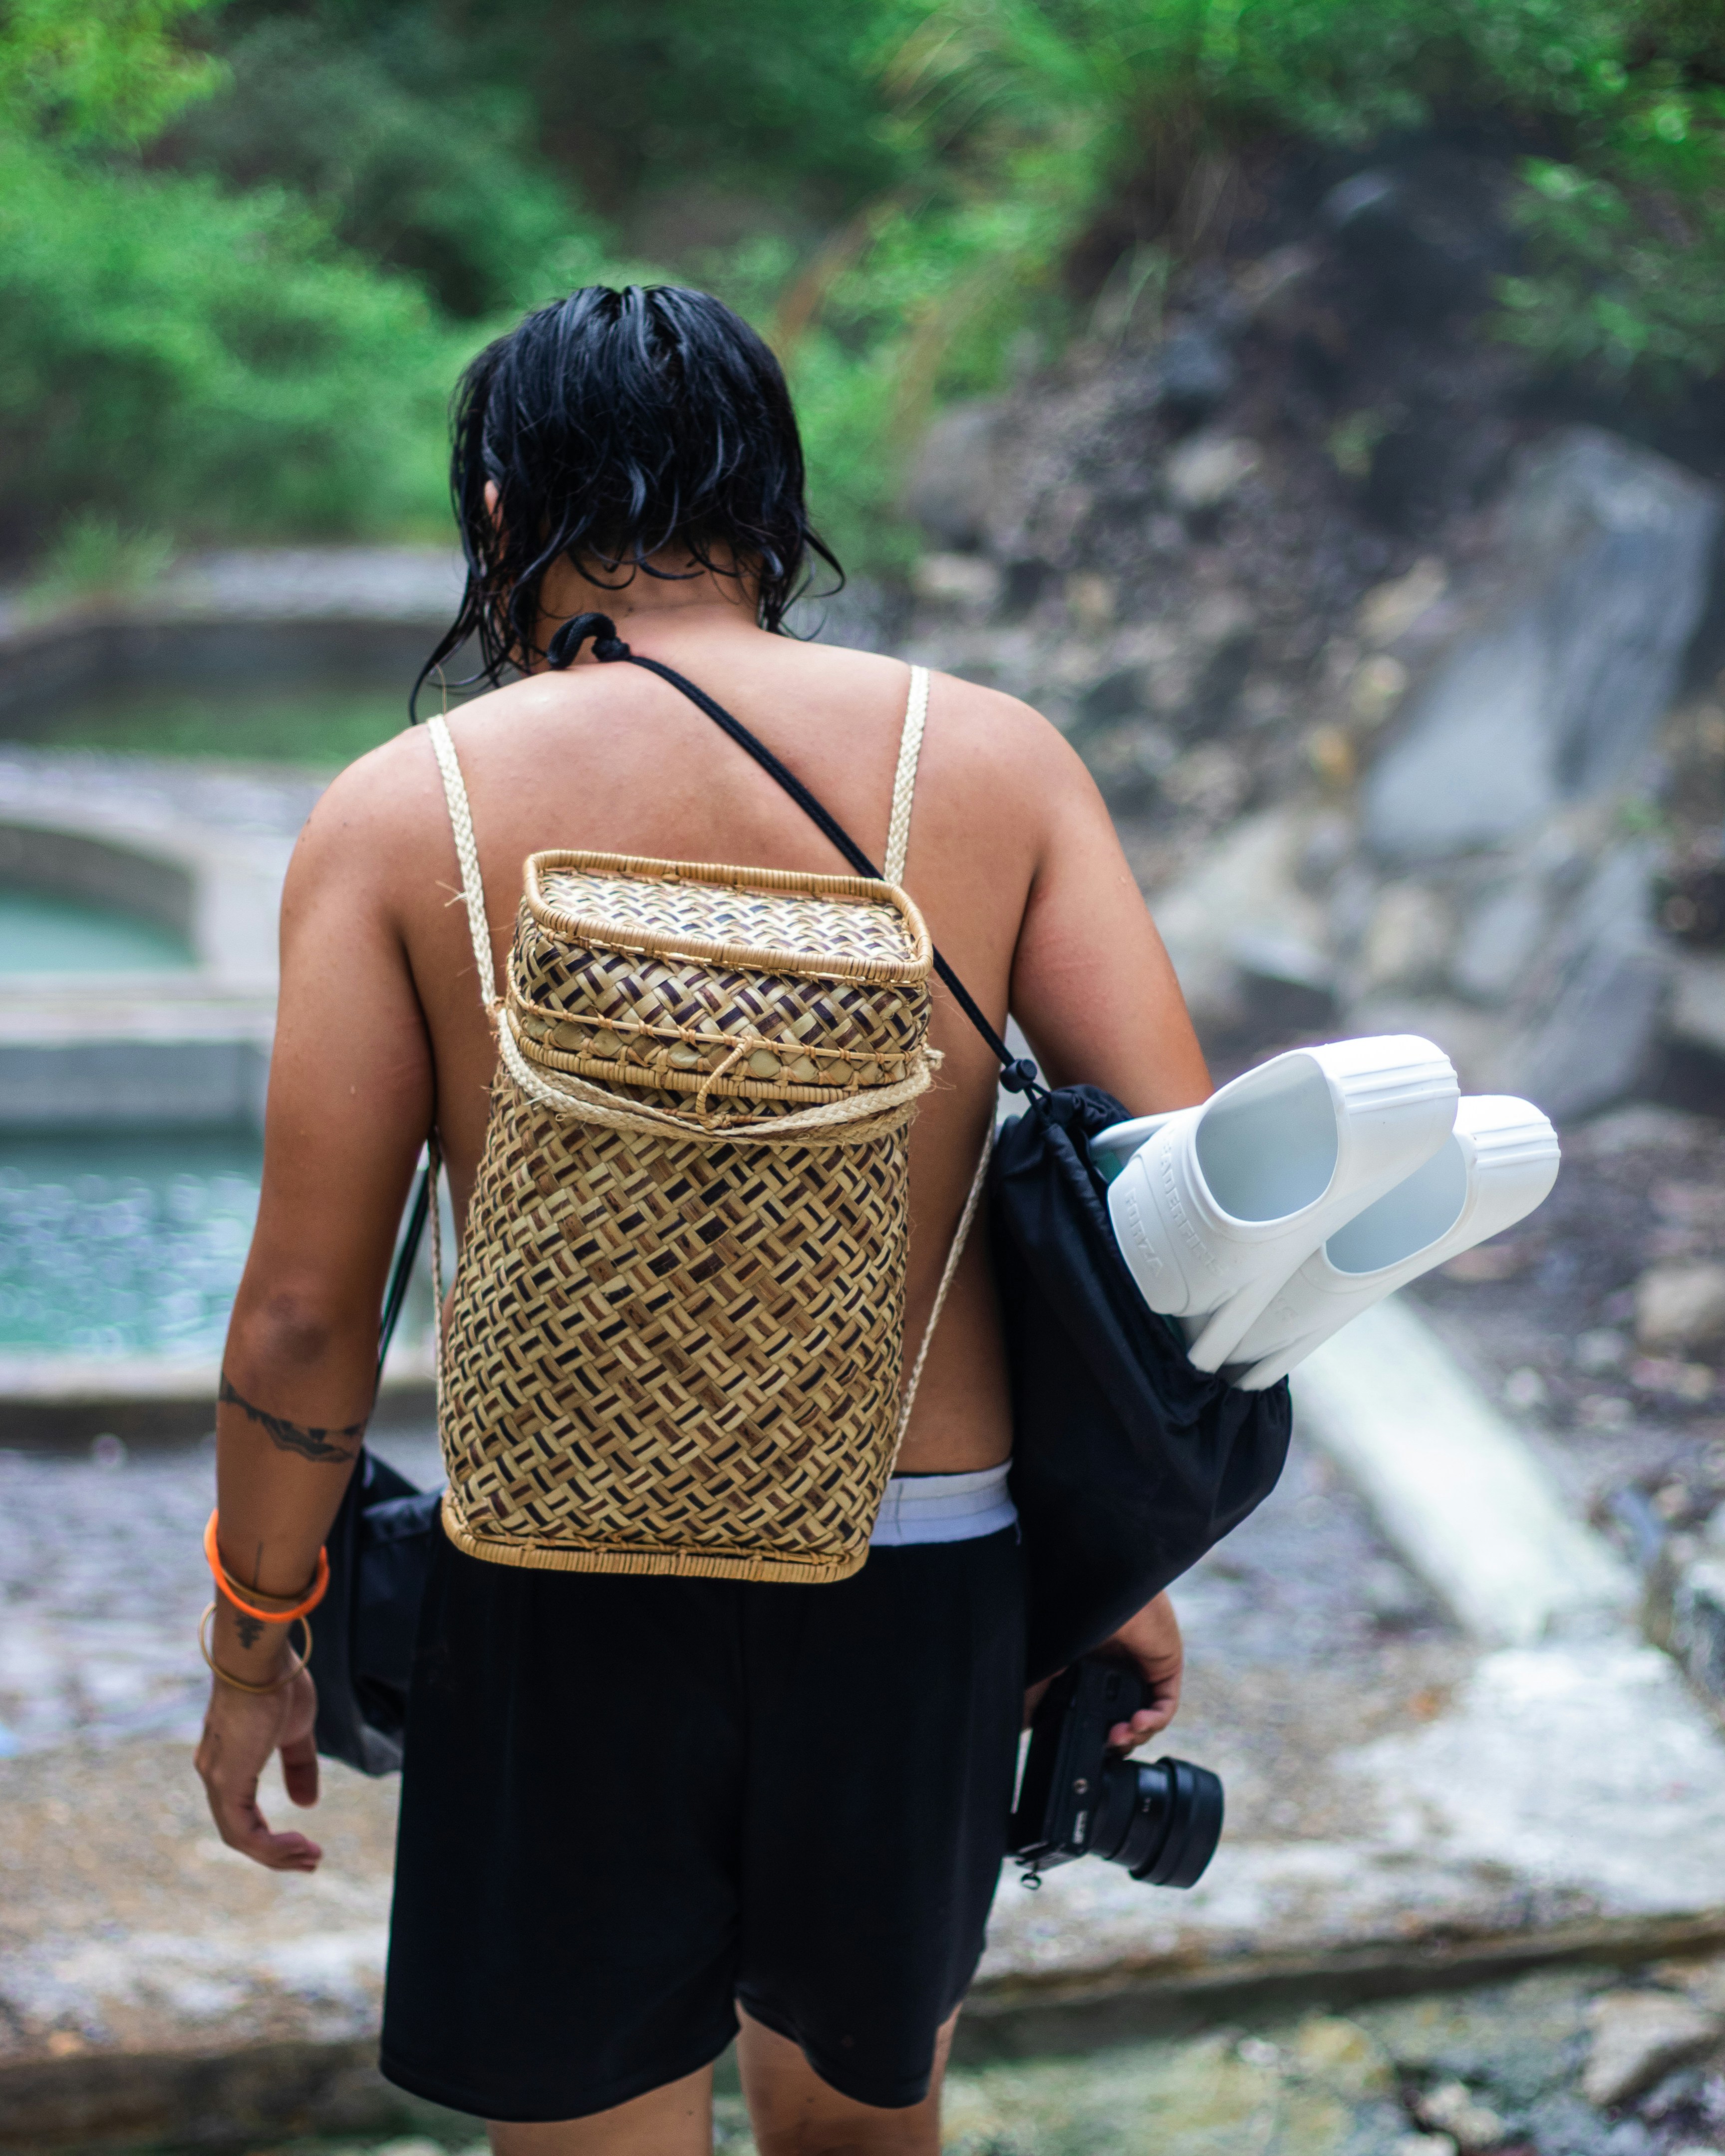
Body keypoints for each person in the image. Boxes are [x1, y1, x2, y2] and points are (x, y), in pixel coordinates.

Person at [194, 284, 1211, 2156]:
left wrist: (257, 1640)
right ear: (775, 509)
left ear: (500, 515)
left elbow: (301, 1323)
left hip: (555, 1585)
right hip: (920, 1574)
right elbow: (1181, 1219)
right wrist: (1101, 1563)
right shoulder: (992, 762)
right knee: (860, 2136)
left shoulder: (398, 812)